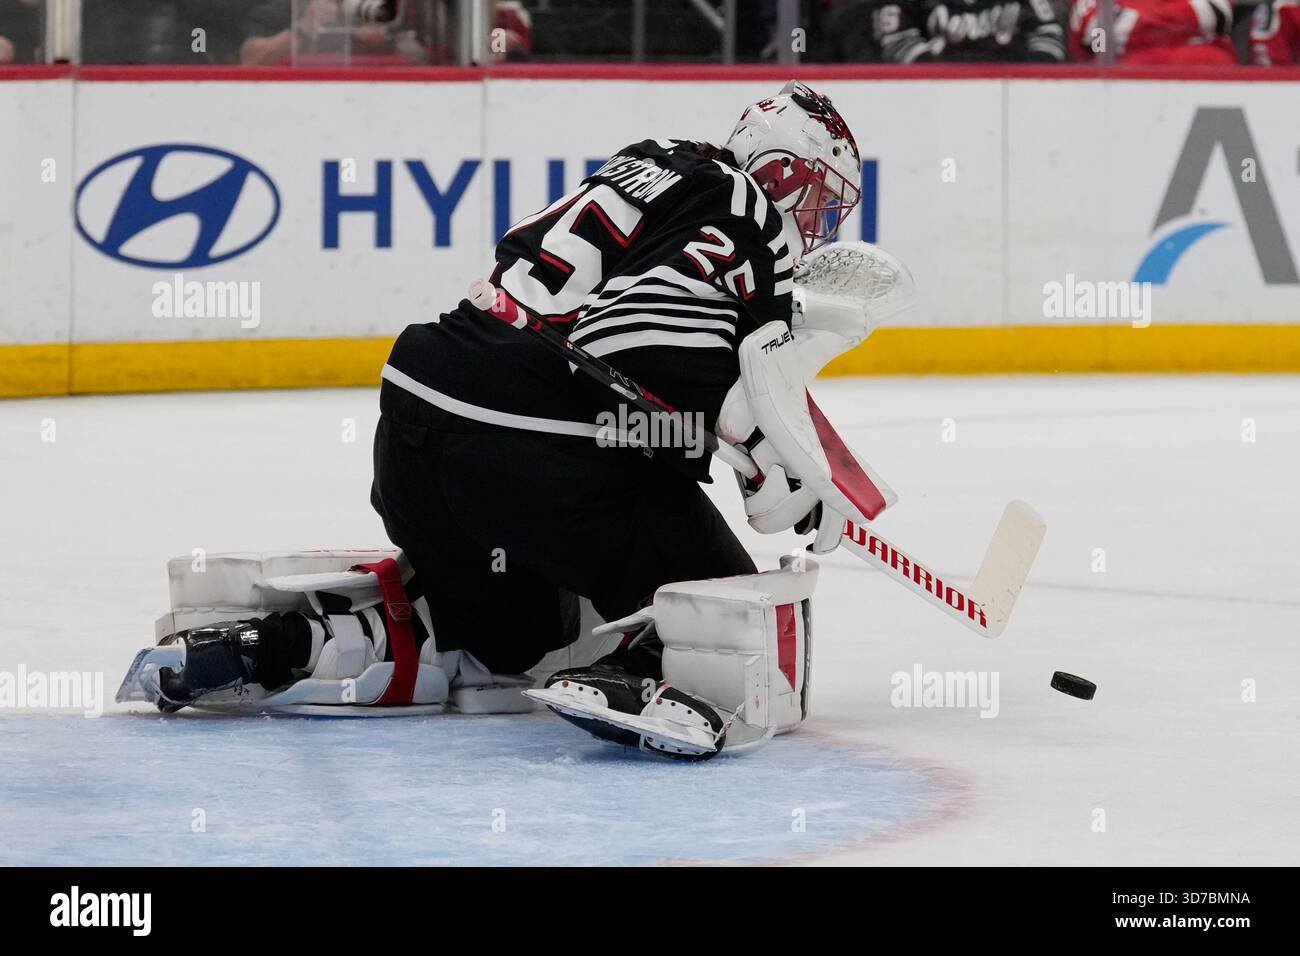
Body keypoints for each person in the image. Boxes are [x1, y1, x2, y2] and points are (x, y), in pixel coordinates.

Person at [151, 82, 887, 761]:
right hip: (525, 445)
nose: (815, 225)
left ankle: (287, 643)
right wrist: (761, 448)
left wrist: (762, 441)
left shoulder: (652, 166)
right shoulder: (744, 209)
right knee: (723, 610)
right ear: (782, 171)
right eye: (818, 199)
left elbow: (604, 336)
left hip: (422, 416)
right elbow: (635, 346)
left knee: (517, 640)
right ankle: (641, 664)